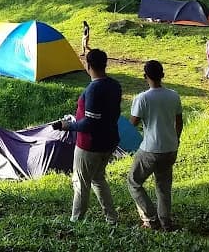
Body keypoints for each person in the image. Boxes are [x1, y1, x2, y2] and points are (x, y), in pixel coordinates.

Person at [53, 49, 122, 224]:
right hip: (110, 140)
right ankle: (112, 218)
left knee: (80, 184)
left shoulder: (93, 89)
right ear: (105, 64)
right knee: (98, 178)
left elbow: (89, 123)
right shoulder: (115, 85)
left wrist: (67, 125)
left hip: (90, 144)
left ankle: (76, 221)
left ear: (88, 65)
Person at [127, 60, 183, 231]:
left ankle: (151, 218)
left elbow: (133, 123)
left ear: (145, 77)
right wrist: (176, 139)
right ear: (163, 75)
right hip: (170, 148)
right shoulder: (174, 95)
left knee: (134, 181)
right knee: (164, 186)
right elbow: (179, 121)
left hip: (150, 149)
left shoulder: (142, 98)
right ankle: (166, 222)